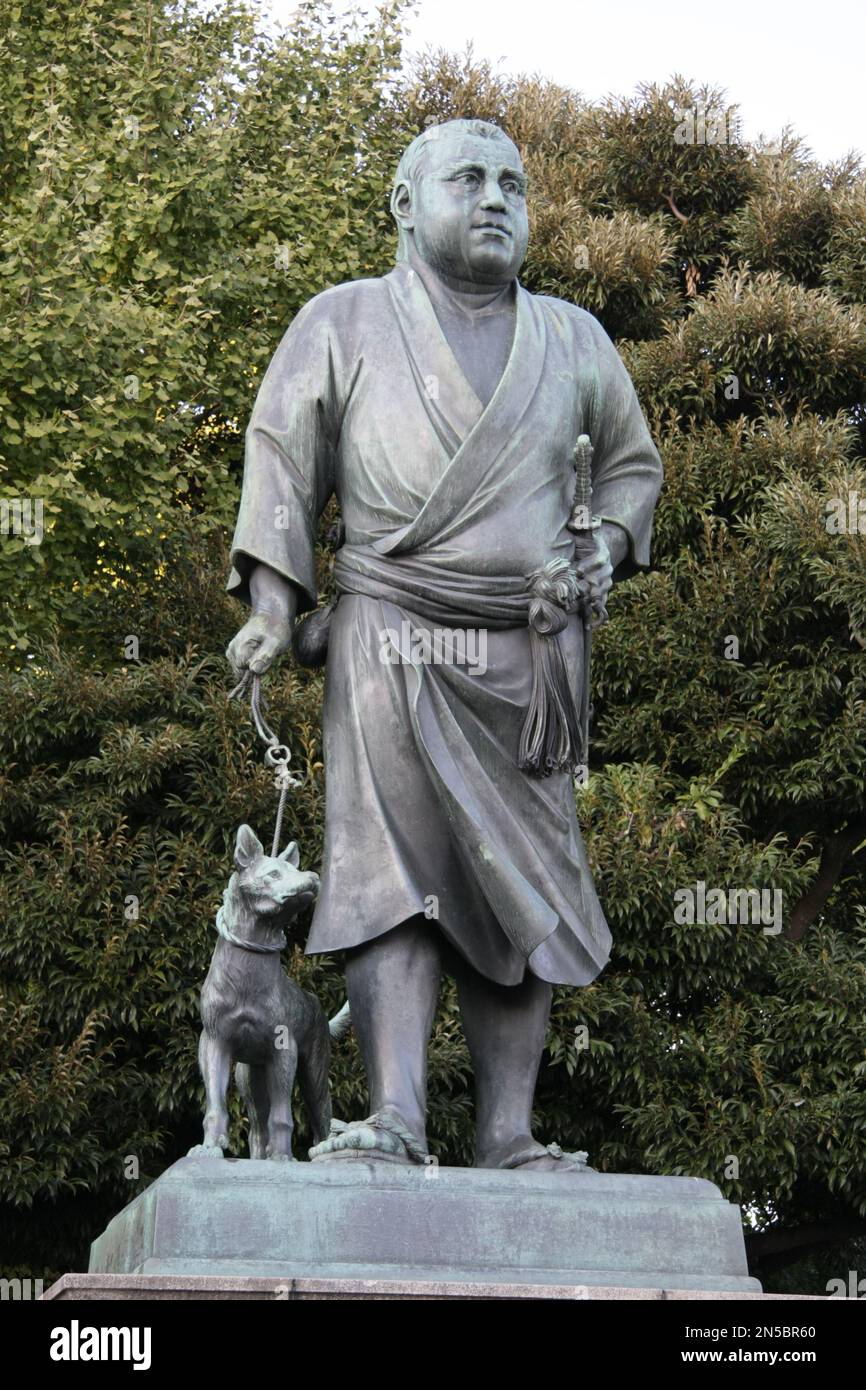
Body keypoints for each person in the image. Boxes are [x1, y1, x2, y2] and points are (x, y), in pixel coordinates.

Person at [225, 119, 663, 1171]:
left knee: (527, 882)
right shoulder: (341, 319)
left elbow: (630, 468)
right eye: (466, 179)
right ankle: (395, 1116)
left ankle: (508, 1132)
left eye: (511, 182)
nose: (494, 198)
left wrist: (603, 545)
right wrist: (274, 611)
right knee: (389, 869)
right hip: (386, 627)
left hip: (531, 640)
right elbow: (284, 458)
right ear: (402, 202)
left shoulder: (573, 338)